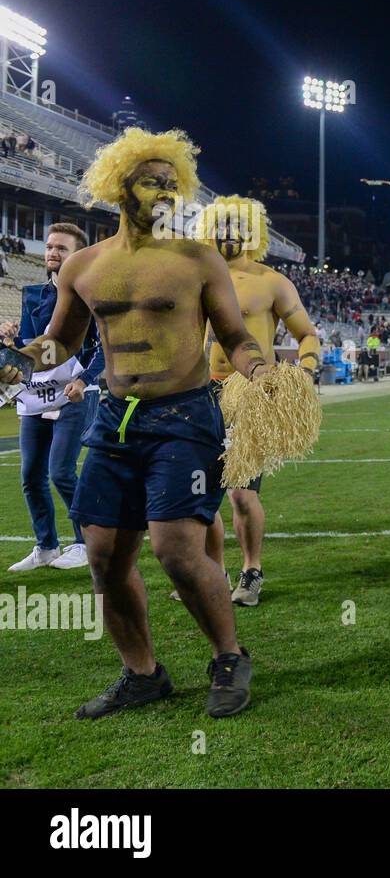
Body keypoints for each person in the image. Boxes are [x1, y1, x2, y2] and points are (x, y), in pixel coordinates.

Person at [0, 128, 271, 720]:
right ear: (119, 188)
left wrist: (258, 369)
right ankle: (142, 673)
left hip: (185, 415)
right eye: (153, 181)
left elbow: (234, 334)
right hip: (112, 419)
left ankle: (229, 657)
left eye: (173, 183)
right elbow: (63, 344)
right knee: (102, 554)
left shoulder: (197, 259)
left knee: (177, 550)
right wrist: (14, 365)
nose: (166, 192)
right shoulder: (84, 265)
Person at [192, 196, 321, 608]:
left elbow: (307, 334)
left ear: (253, 232)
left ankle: (251, 571)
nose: (229, 234)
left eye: (237, 226)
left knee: (243, 494)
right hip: (200, 393)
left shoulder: (271, 281)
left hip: (251, 393)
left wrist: (306, 369)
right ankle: (213, 572)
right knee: (200, 495)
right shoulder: (195, 277)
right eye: (222, 225)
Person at [3, 223, 104, 572]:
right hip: (36, 397)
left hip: (74, 393)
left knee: (60, 471)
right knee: (31, 475)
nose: (52, 253)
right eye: (49, 246)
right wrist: (11, 346)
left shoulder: (92, 294)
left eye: (61, 248)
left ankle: (86, 542)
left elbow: (105, 345)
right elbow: (34, 353)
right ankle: (46, 546)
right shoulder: (33, 294)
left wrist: (85, 378)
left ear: (79, 255)